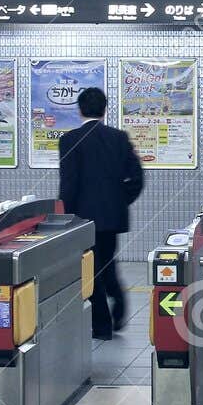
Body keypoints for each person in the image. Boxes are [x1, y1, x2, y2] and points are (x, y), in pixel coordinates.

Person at [58, 87, 144, 339]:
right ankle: (118, 301)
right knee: (106, 262)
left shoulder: (69, 140)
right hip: (112, 217)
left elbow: (68, 183)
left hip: (83, 219)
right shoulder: (119, 138)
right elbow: (137, 178)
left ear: (79, 110)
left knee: (90, 269)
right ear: (105, 109)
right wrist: (120, 201)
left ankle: (103, 326)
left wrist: (66, 217)